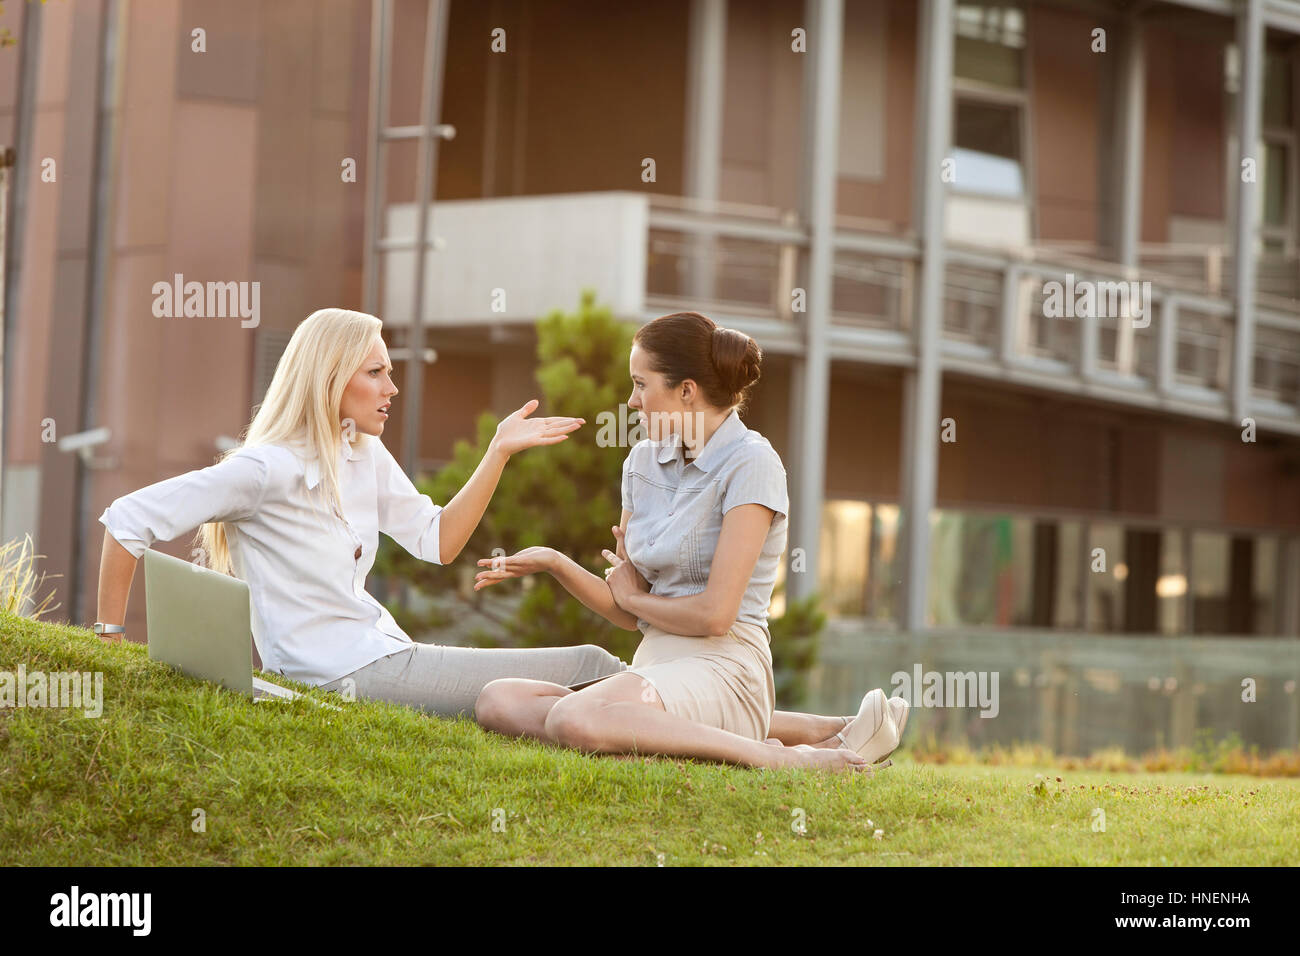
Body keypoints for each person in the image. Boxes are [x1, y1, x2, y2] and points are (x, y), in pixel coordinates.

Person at [94, 307, 627, 714]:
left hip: (383, 652)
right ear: (331, 376)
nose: (391, 388)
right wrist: (110, 639)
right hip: (340, 672)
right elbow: (126, 520)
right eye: (376, 372)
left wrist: (497, 452)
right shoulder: (264, 469)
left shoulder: (360, 452)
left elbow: (438, 542)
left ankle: (671, 737)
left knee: (545, 703)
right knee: (591, 664)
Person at [472, 312, 909, 773]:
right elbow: (627, 610)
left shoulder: (752, 463)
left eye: (641, 385)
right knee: (499, 701)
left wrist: (637, 600)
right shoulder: (642, 462)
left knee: (574, 718)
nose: (632, 401)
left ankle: (775, 757)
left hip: (725, 667)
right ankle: (802, 733)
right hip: (658, 665)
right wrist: (555, 563)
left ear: (686, 390)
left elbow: (714, 615)